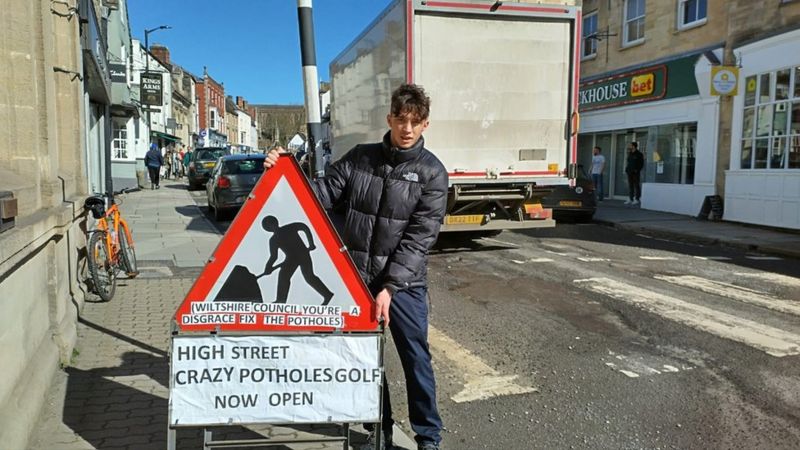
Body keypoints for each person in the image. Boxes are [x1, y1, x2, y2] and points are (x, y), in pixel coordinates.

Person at [264, 84, 446, 450]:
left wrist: (390, 288)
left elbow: (418, 240)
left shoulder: (432, 174)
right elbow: (320, 194)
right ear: (389, 118)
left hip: (404, 287)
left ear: (425, 124)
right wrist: (283, 170)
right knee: (365, 363)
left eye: (415, 122)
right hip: (357, 281)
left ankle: (428, 437)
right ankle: (379, 430)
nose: (406, 128)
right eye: (401, 119)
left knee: (416, 362)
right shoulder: (360, 159)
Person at [258, 215, 334, 305]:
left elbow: (304, 227)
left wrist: (311, 243)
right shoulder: (273, 240)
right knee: (283, 276)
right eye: (269, 226)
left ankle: (327, 295)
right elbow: (274, 257)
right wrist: (268, 267)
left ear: (276, 222)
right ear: (268, 229)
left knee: (309, 277)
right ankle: (281, 300)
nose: (272, 227)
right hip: (291, 259)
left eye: (272, 224)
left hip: (303, 254)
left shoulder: (289, 228)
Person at [625, 141, 644, 205]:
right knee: (630, 185)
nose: (629, 146)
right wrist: (627, 169)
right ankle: (631, 198)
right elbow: (628, 162)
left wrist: (637, 170)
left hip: (635, 172)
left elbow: (641, 164)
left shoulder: (639, 154)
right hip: (629, 172)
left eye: (630, 145)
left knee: (636, 185)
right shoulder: (630, 153)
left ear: (633, 146)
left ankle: (637, 199)